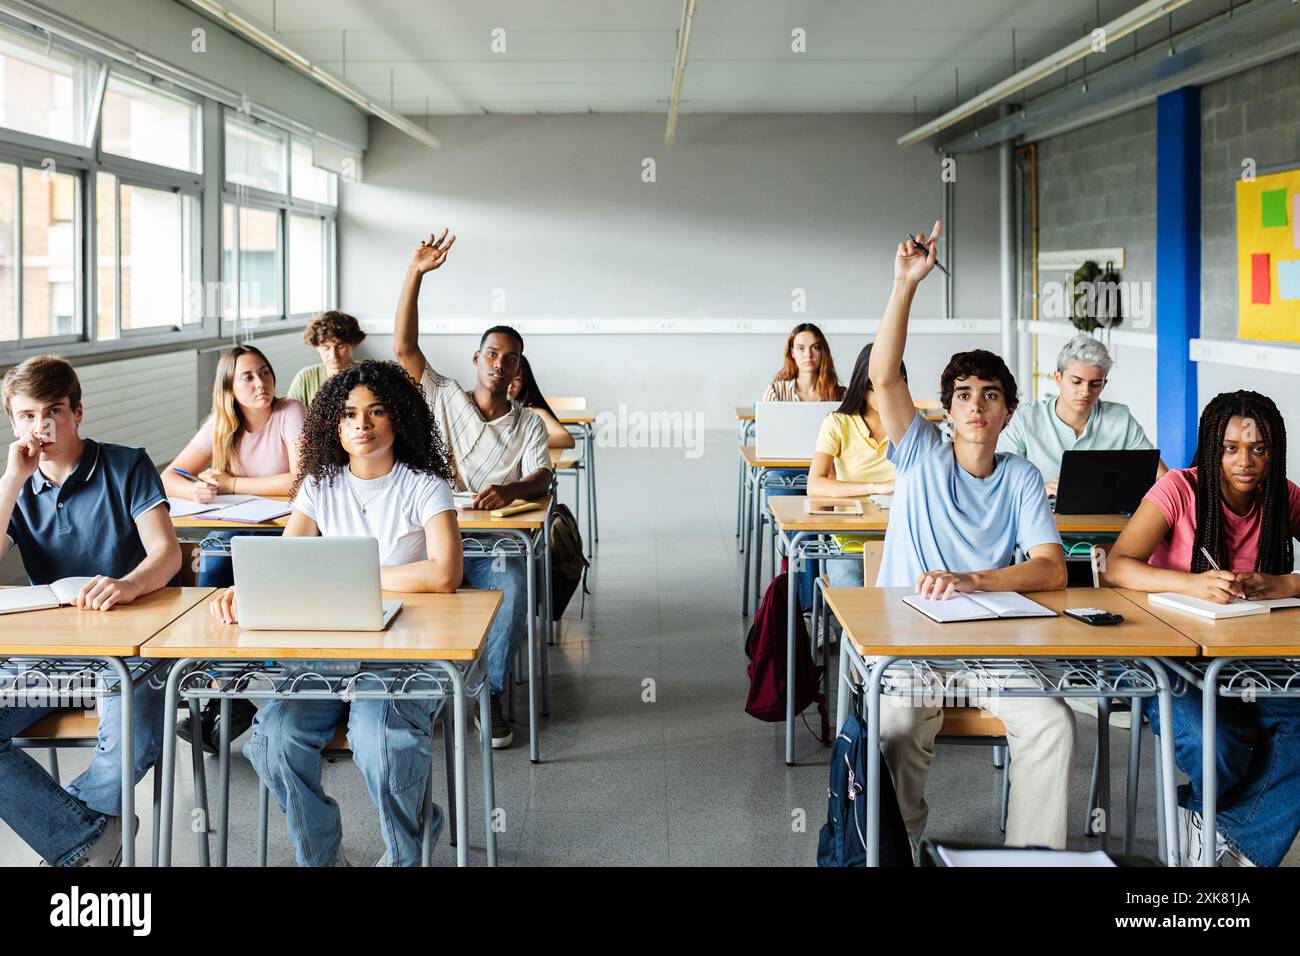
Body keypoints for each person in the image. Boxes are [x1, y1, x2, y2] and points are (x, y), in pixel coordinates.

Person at [867, 221, 1072, 850]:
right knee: (898, 727)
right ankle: (901, 853)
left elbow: (1051, 569)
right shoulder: (920, 454)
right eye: (963, 395)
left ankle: (1031, 858)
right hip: (909, 643)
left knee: (1054, 723)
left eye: (989, 395)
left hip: (990, 644)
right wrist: (905, 286)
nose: (976, 405)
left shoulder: (1021, 477)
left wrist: (973, 580)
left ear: (1009, 411)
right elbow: (882, 376)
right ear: (947, 410)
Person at [210, 360, 462, 867]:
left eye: (375, 412)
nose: (361, 425)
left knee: (381, 744)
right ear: (334, 424)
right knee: (275, 742)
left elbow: (444, 574)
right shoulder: (320, 485)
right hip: (325, 655)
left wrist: (355, 574)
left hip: (400, 653)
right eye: (348, 415)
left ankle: (409, 845)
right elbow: (286, 563)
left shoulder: (424, 483)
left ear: (399, 419)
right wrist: (244, 587)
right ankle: (321, 856)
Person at [1103, 390, 1300, 866]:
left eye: (1258, 448)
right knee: (1215, 744)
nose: (1246, 461)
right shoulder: (1178, 489)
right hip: (1171, 654)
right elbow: (1118, 566)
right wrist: (1191, 584)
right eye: (1231, 447)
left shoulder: (1283, 496)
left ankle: (1215, 824)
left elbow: (1285, 583)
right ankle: (1236, 826)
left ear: (1274, 451)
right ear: (1212, 448)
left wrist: (1286, 582)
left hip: (1253, 658)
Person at [0, 355, 181, 866]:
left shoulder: (126, 465)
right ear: (14, 422)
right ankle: (88, 837)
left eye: (53, 411)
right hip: (49, 653)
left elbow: (166, 554)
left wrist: (126, 585)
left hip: (133, 645)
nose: (42, 427)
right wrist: (13, 480)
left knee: (133, 743)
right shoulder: (17, 484)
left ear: (77, 412)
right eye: (27, 415)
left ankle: (83, 833)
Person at [393, 228, 552, 749]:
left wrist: (510, 492)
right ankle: (413, 686)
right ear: (477, 359)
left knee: (511, 584)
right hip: (437, 541)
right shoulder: (443, 397)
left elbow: (545, 479)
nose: (499, 364)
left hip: (495, 542)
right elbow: (405, 346)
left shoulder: (527, 422)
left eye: (510, 359)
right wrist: (415, 273)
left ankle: (491, 693)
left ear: (517, 370)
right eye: (492, 354)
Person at [162, 345, 305, 750]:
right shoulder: (221, 424)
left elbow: (299, 480)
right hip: (238, 527)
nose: (261, 383)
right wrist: (198, 488)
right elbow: (170, 474)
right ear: (230, 387)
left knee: (221, 556)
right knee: (212, 559)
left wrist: (231, 484)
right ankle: (225, 688)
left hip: (286, 531)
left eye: (265, 372)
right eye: (248, 377)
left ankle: (224, 689)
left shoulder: (289, 412)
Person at [998, 334, 1166, 497]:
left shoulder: (1121, 418)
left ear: (1104, 384)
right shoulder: (1025, 418)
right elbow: (1001, 480)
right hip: (1041, 514)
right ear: (1058, 378)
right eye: (1076, 382)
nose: (1085, 392)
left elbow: (1162, 478)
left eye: (1095, 384)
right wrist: (1041, 490)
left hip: (1107, 518)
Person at [806, 343, 898, 589]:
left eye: (888, 385)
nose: (881, 395)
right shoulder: (838, 423)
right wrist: (877, 487)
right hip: (851, 539)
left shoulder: (912, 424)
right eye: (872, 388)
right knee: (857, 603)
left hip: (901, 535)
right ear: (861, 386)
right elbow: (815, 484)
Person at [287, 310, 367, 407]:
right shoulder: (305, 378)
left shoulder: (369, 375)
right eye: (326, 348)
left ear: (354, 344)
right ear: (316, 346)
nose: (333, 355)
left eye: (340, 346)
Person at [507, 355, 575, 449]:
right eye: (505, 377)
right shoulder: (484, 411)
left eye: (517, 379)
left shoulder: (530, 412)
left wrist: (525, 444)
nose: (510, 385)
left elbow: (567, 439)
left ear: (524, 383)